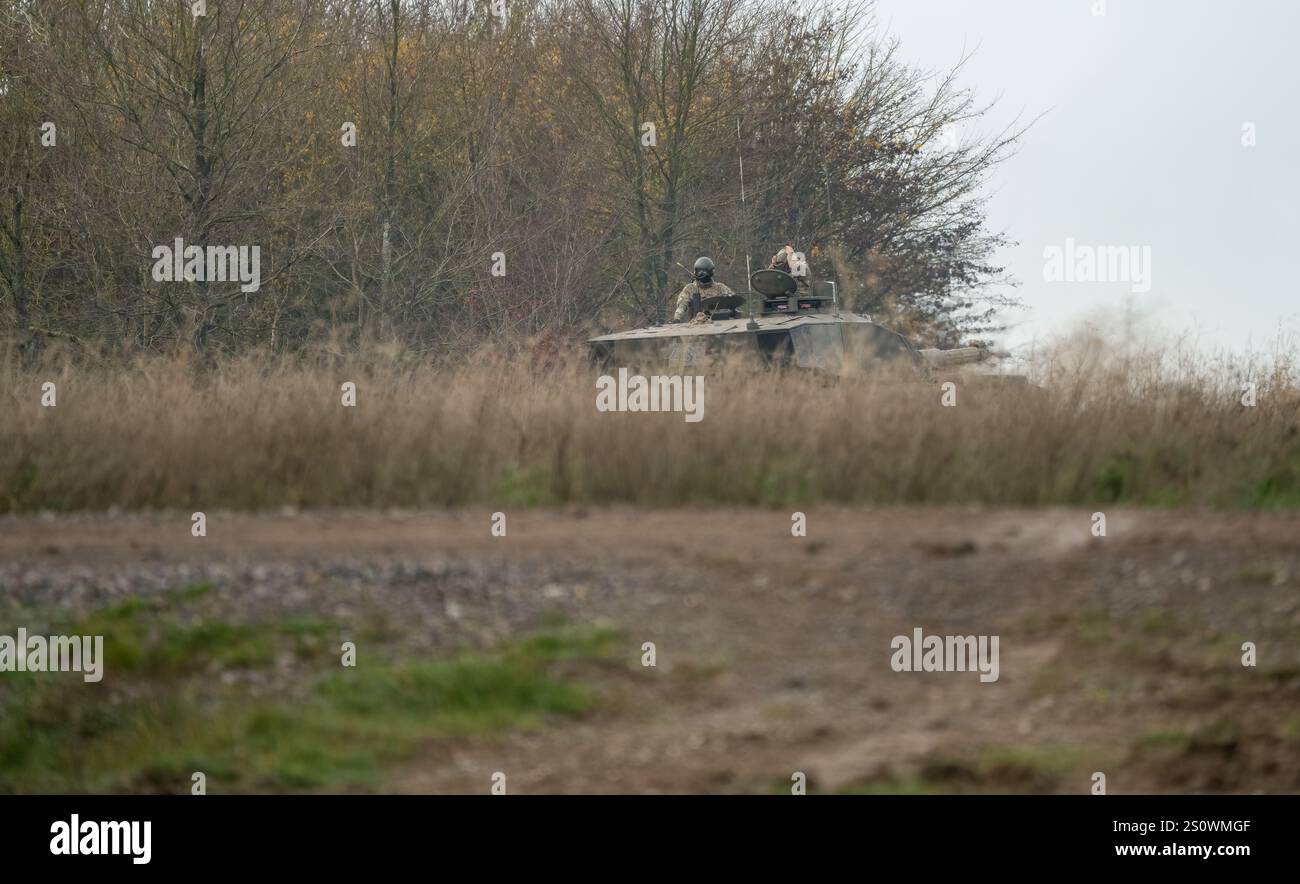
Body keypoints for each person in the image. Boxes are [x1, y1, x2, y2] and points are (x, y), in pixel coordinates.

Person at [671, 256, 735, 322]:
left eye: (703, 272)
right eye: (699, 272)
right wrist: (677, 318)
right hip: (697, 324)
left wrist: (733, 310)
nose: (701, 274)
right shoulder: (690, 289)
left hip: (721, 322)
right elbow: (682, 305)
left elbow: (733, 299)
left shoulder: (720, 287)